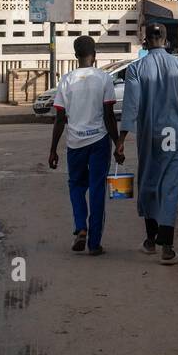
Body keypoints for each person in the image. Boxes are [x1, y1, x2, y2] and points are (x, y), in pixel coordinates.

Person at [116, 23, 178, 264]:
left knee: (149, 182)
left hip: (150, 134)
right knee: (170, 187)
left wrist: (120, 140)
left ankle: (151, 240)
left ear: (146, 41)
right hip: (175, 133)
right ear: (166, 40)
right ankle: (167, 247)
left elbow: (130, 107)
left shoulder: (136, 69)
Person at [48, 35, 119, 256]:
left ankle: (81, 227)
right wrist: (118, 144)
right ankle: (94, 243)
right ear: (95, 55)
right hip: (99, 141)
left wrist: (52, 149)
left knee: (76, 186)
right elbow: (109, 116)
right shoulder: (104, 79)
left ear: (76, 55)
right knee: (97, 189)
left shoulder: (66, 80)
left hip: (75, 142)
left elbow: (60, 118)